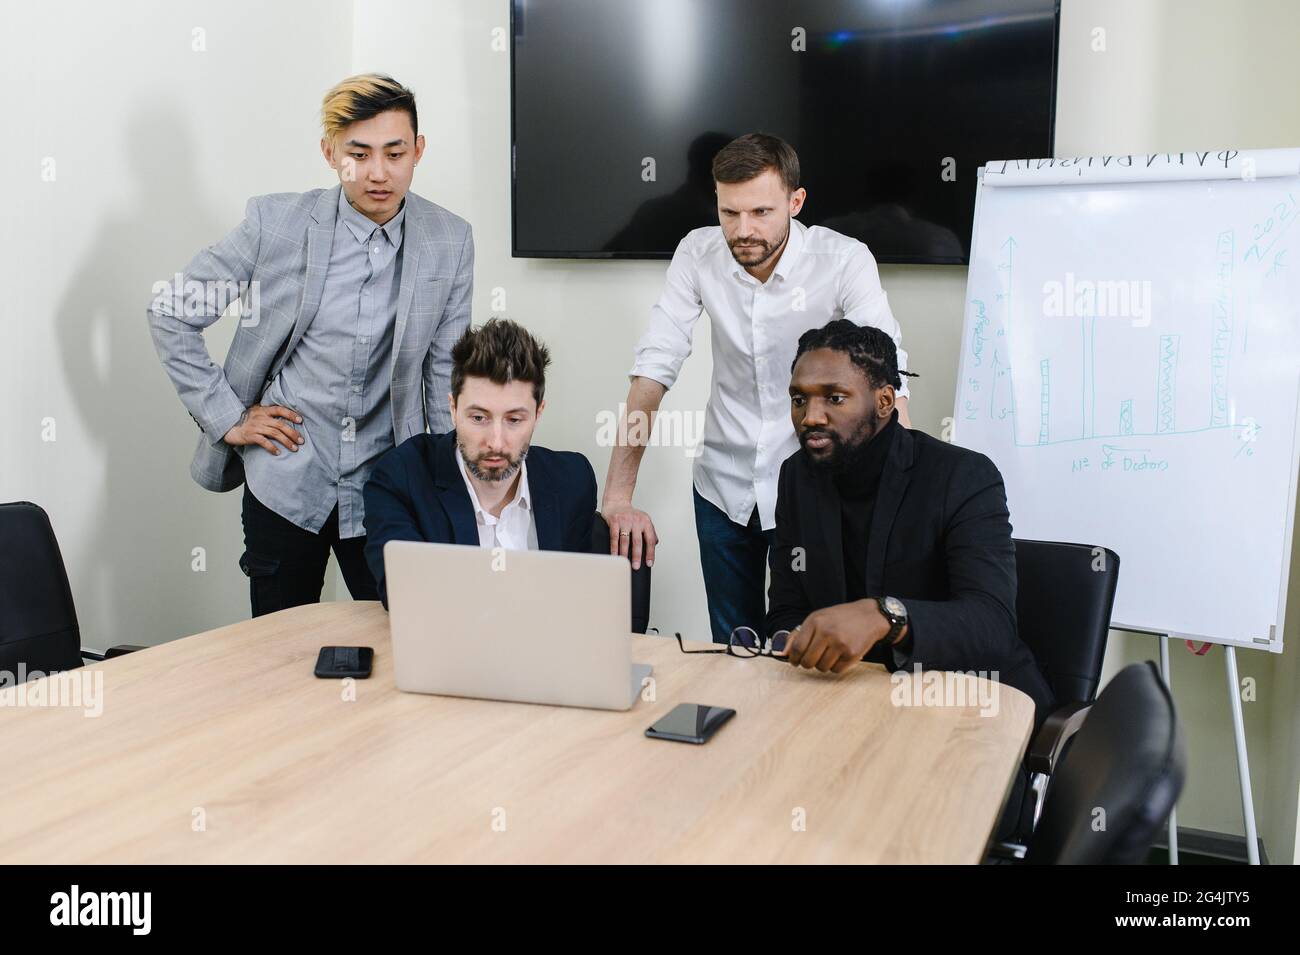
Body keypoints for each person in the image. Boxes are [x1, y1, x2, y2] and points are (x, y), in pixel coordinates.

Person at [147, 73, 473, 616]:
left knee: (402, 643)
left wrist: (445, 490)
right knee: (279, 656)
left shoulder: (450, 239)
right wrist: (228, 416)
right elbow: (170, 311)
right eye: (358, 154)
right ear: (329, 154)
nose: (377, 173)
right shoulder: (275, 223)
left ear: (418, 150)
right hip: (286, 478)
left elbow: (446, 377)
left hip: (387, 484)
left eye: (395, 153)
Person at [602, 133, 910, 643]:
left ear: (796, 201)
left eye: (762, 213)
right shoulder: (697, 253)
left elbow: (888, 378)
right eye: (729, 213)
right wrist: (617, 495)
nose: (743, 231)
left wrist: (903, 503)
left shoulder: (843, 260)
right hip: (723, 485)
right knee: (734, 650)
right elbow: (653, 370)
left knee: (812, 648)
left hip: (817, 485)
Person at [363, 319, 596, 608]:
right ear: (453, 408)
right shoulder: (399, 479)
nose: (496, 442)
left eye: (514, 420)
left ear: (538, 413)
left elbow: (582, 602)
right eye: (478, 418)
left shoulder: (574, 480)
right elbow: (405, 596)